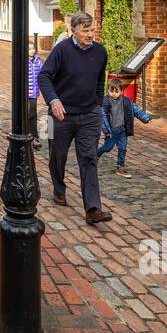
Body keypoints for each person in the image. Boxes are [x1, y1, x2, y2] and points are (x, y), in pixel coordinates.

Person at [38, 12, 113, 225]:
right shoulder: (61, 50)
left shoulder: (100, 52)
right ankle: (59, 188)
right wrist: (53, 101)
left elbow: (101, 78)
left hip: (89, 114)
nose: (90, 35)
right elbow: (44, 76)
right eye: (85, 31)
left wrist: (98, 102)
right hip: (59, 115)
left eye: (93, 30)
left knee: (89, 158)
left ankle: (92, 209)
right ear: (74, 30)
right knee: (56, 155)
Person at [97, 77, 156, 178]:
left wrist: (145, 118)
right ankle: (96, 153)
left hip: (122, 130)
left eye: (116, 91)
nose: (114, 94)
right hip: (112, 131)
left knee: (123, 148)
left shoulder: (126, 101)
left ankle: (120, 166)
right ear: (108, 90)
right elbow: (103, 117)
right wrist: (107, 131)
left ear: (121, 91)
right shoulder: (106, 101)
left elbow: (136, 110)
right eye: (111, 91)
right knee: (107, 148)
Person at [27, 42, 44, 151]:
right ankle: (28, 134)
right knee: (27, 114)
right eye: (29, 49)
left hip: (34, 93)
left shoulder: (38, 61)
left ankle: (34, 136)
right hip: (25, 93)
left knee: (33, 113)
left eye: (33, 48)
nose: (32, 50)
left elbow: (43, 74)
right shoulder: (24, 61)